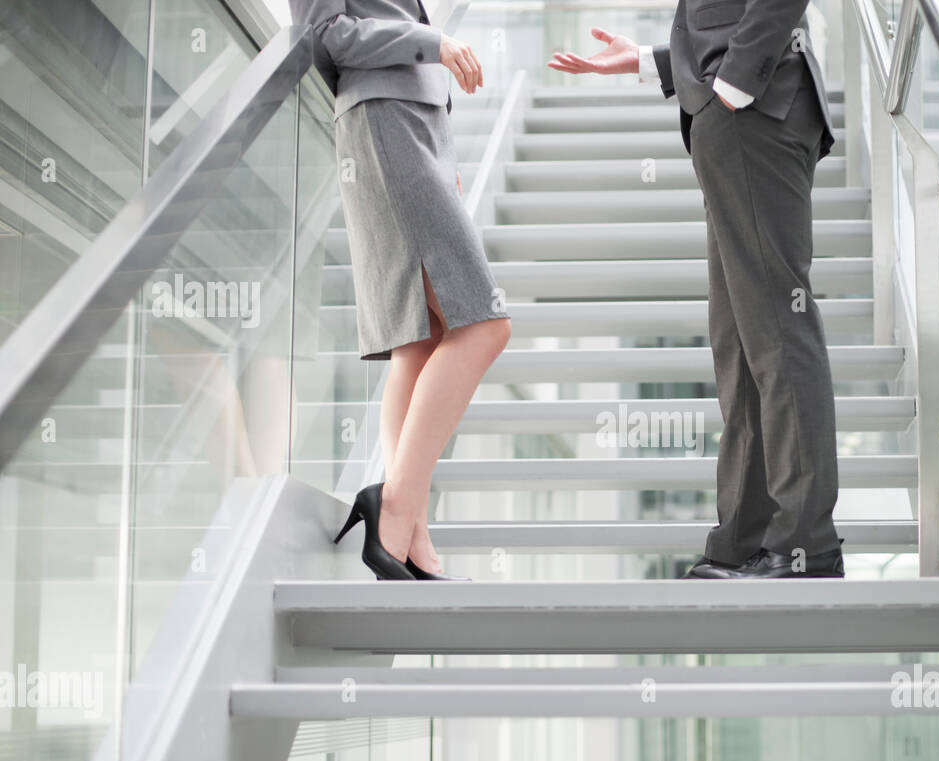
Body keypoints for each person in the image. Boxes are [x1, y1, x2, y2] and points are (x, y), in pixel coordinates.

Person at [549, 3, 844, 579]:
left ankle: (805, 543)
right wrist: (650, 61)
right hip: (738, 111)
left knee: (777, 334)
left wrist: (735, 83)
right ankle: (747, 538)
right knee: (740, 344)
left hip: (755, 107)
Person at [292, 0, 512, 580]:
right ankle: (395, 505)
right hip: (383, 117)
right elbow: (324, 33)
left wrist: (446, 148)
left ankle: (408, 531)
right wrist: (430, 41)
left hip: (419, 123)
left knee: (422, 338)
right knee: (486, 326)